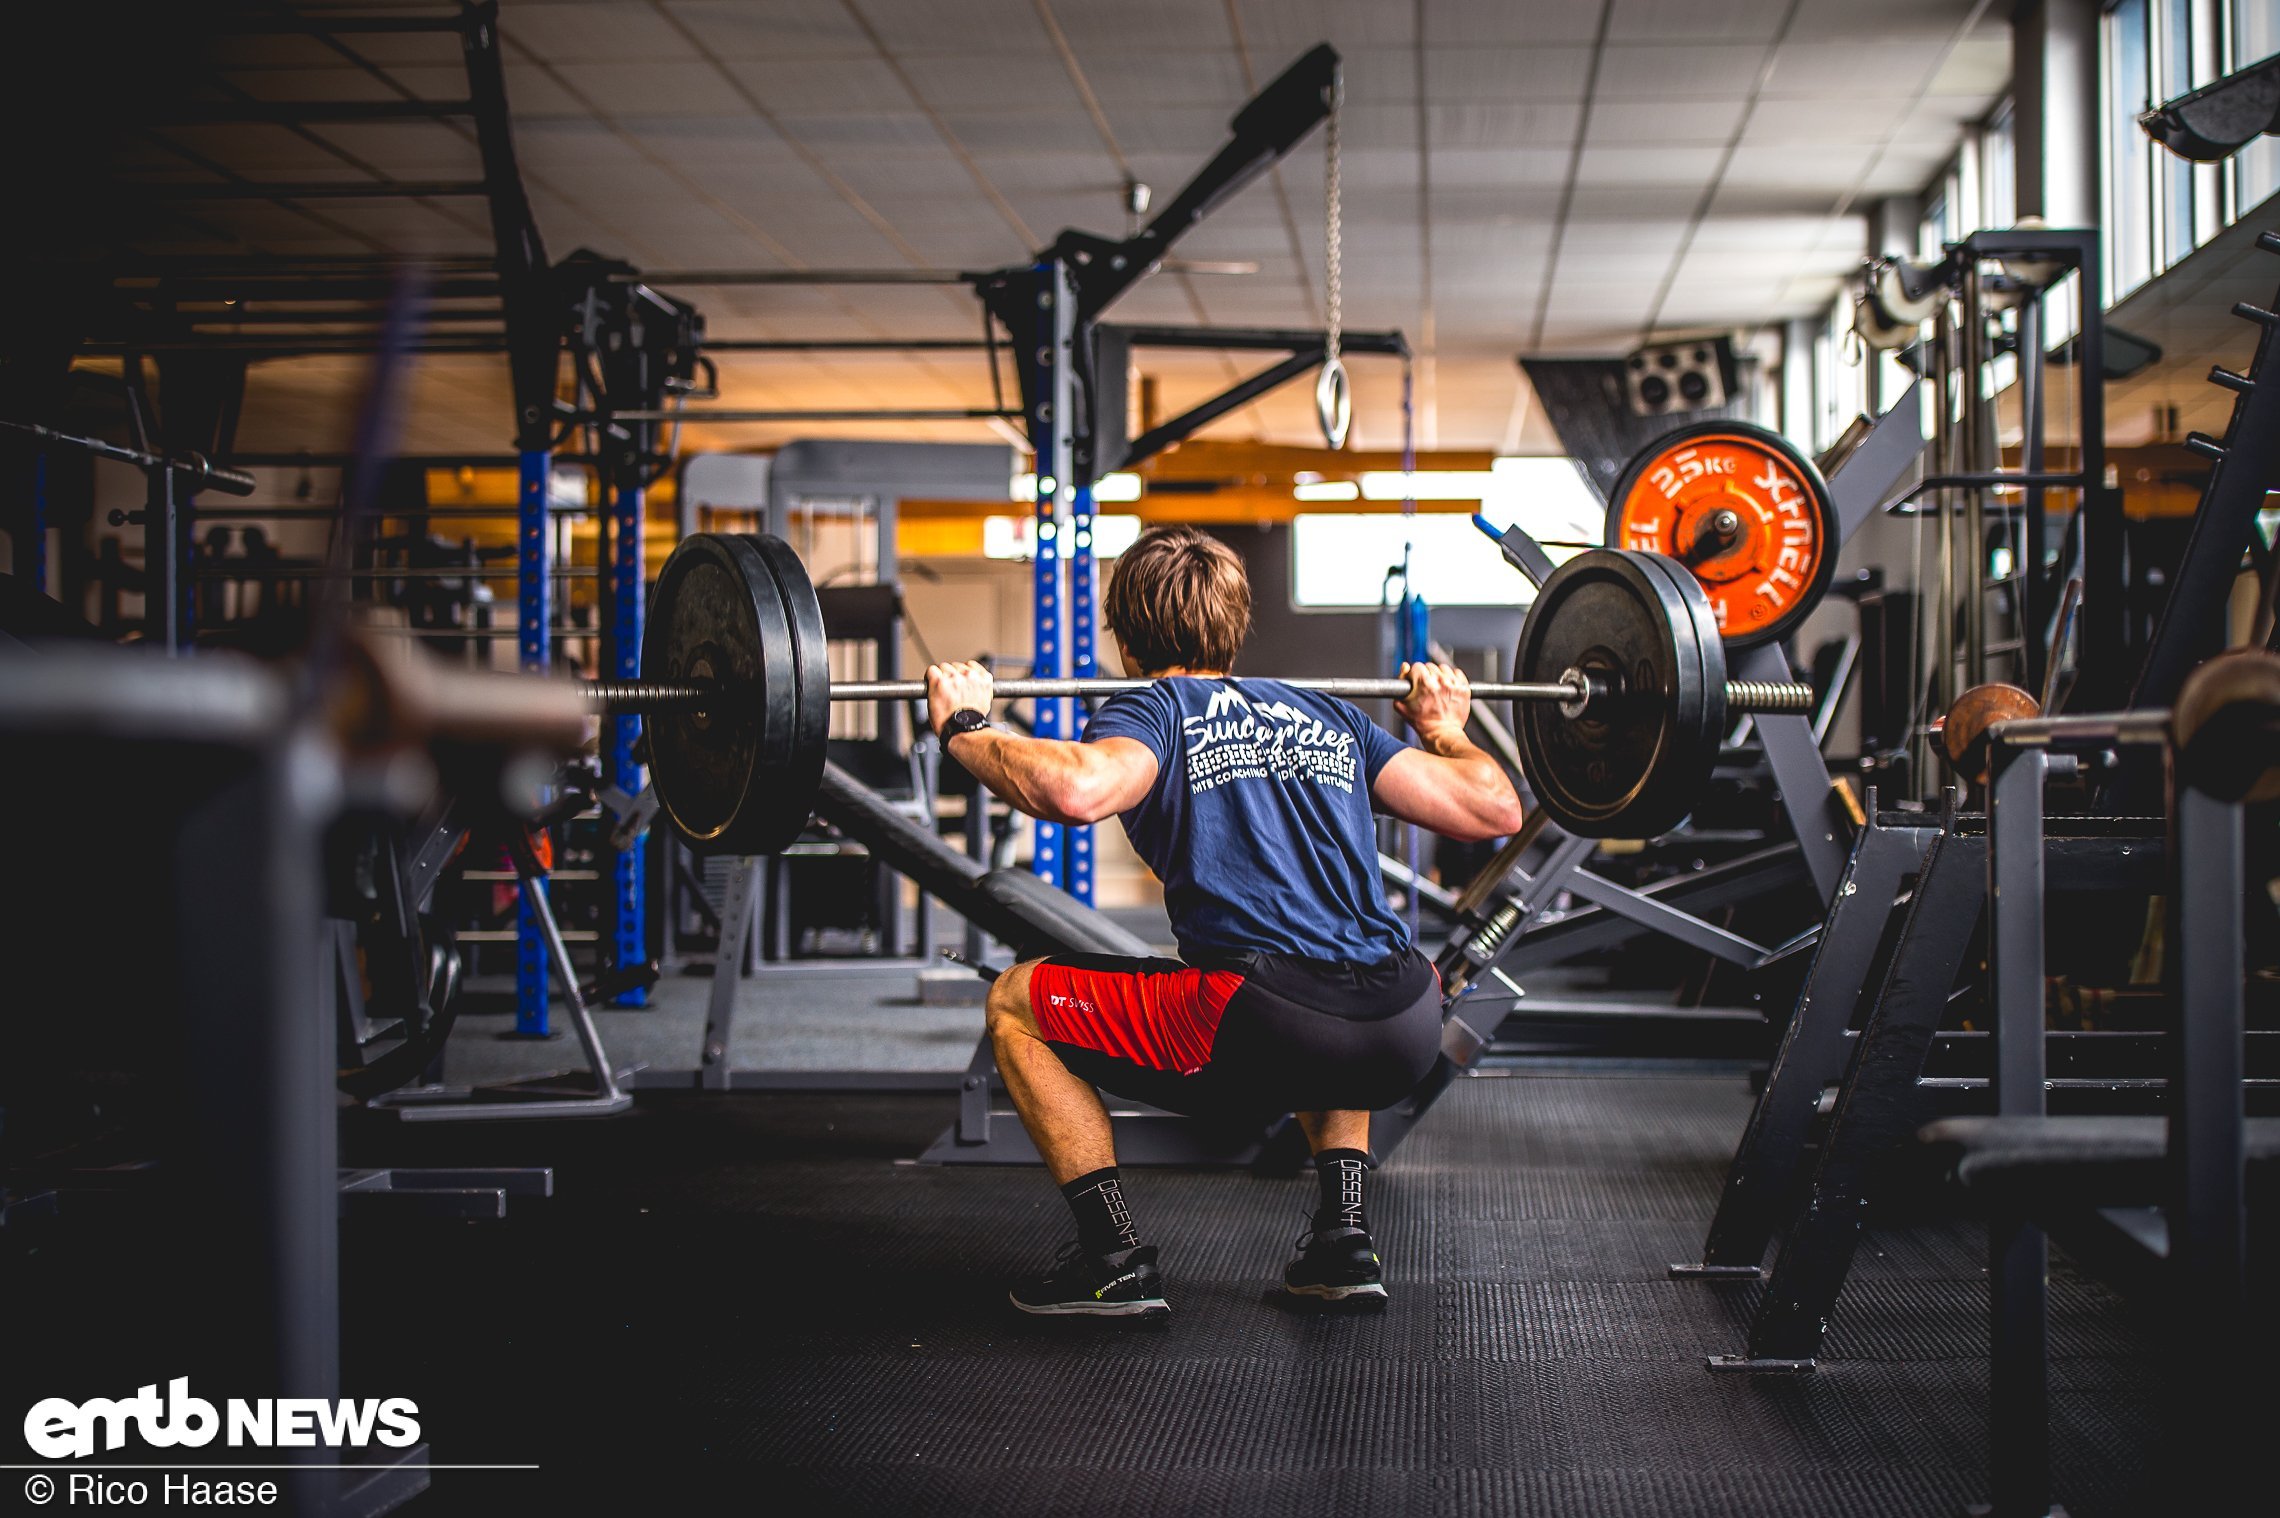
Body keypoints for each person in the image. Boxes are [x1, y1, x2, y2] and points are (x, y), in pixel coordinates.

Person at [927, 525, 1524, 1318]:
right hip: (1403, 1020)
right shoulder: (1329, 718)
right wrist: (1443, 724)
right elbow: (1494, 806)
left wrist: (966, 726)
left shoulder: (1155, 706)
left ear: (1126, 636)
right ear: (1235, 630)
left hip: (1265, 1020)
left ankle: (1111, 1259)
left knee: (1015, 1001)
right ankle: (1342, 1242)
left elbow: (1076, 792)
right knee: (1326, 961)